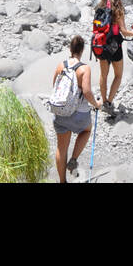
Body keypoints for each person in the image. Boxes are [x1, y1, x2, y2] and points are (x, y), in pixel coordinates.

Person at [51, 34, 100, 183]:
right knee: (86, 130)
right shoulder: (84, 68)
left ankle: (62, 181)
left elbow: (55, 85)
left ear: (70, 49)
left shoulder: (61, 65)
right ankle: (73, 159)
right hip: (78, 114)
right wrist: (97, 104)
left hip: (60, 112)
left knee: (61, 148)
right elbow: (86, 92)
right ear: (82, 50)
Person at [90, 0, 133, 120]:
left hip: (101, 45)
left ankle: (103, 100)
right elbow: (124, 31)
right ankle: (109, 102)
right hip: (115, 46)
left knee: (104, 75)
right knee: (118, 75)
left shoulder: (99, 9)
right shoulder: (118, 11)